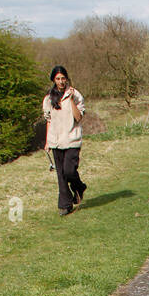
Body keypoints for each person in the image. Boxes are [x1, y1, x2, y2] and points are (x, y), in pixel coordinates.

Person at [43, 67, 86, 216]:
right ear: (54, 80)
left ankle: (79, 187)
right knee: (60, 175)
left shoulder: (75, 95)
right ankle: (65, 205)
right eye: (58, 79)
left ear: (66, 79)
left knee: (69, 171)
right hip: (56, 140)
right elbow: (49, 121)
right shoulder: (49, 99)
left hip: (72, 139)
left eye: (63, 78)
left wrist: (71, 99)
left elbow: (78, 117)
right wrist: (47, 141)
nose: (61, 82)